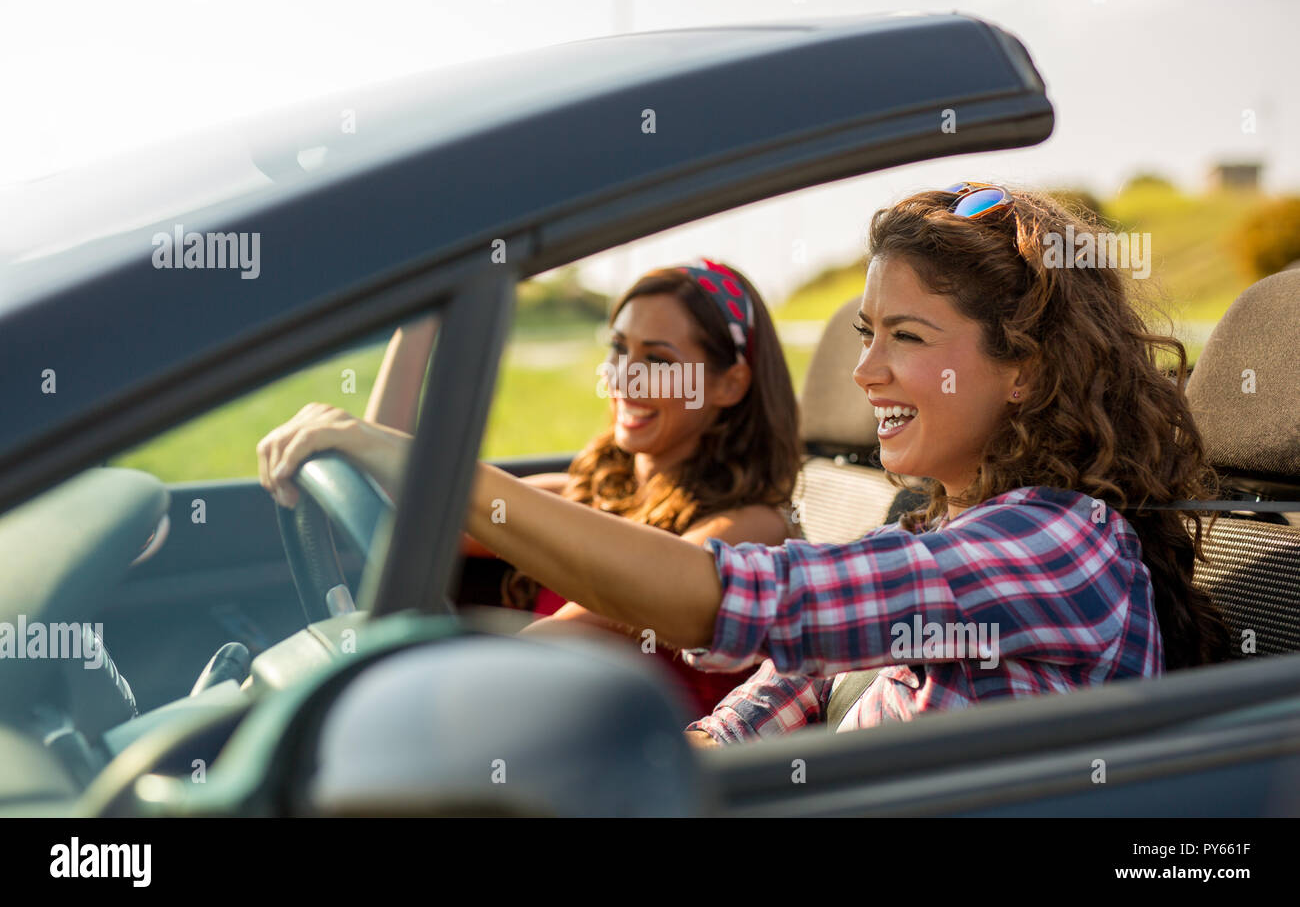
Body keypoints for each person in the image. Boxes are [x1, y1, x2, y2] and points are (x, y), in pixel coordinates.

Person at [258, 184, 1233, 748]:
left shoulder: (1053, 543)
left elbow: (726, 599)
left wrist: (429, 464)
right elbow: (784, 679)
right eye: (863, 332)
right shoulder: (937, 532)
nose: (862, 369)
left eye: (903, 334)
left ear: (1023, 369)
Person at [259, 260, 803, 717]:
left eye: (658, 360)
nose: (624, 377)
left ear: (730, 383)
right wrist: (421, 319)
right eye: (619, 349)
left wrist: (403, 690)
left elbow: (560, 639)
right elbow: (404, 507)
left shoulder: (751, 527)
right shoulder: (580, 491)